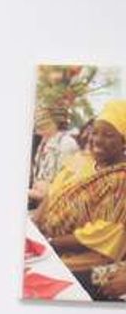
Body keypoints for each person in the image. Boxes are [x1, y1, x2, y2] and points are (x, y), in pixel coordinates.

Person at [33, 100, 126, 282]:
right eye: (95, 132)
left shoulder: (121, 180)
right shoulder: (82, 159)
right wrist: (36, 225)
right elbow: (53, 193)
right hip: (46, 241)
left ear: (124, 141)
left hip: (81, 261)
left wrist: (50, 244)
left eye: (108, 135)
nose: (97, 139)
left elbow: (105, 233)